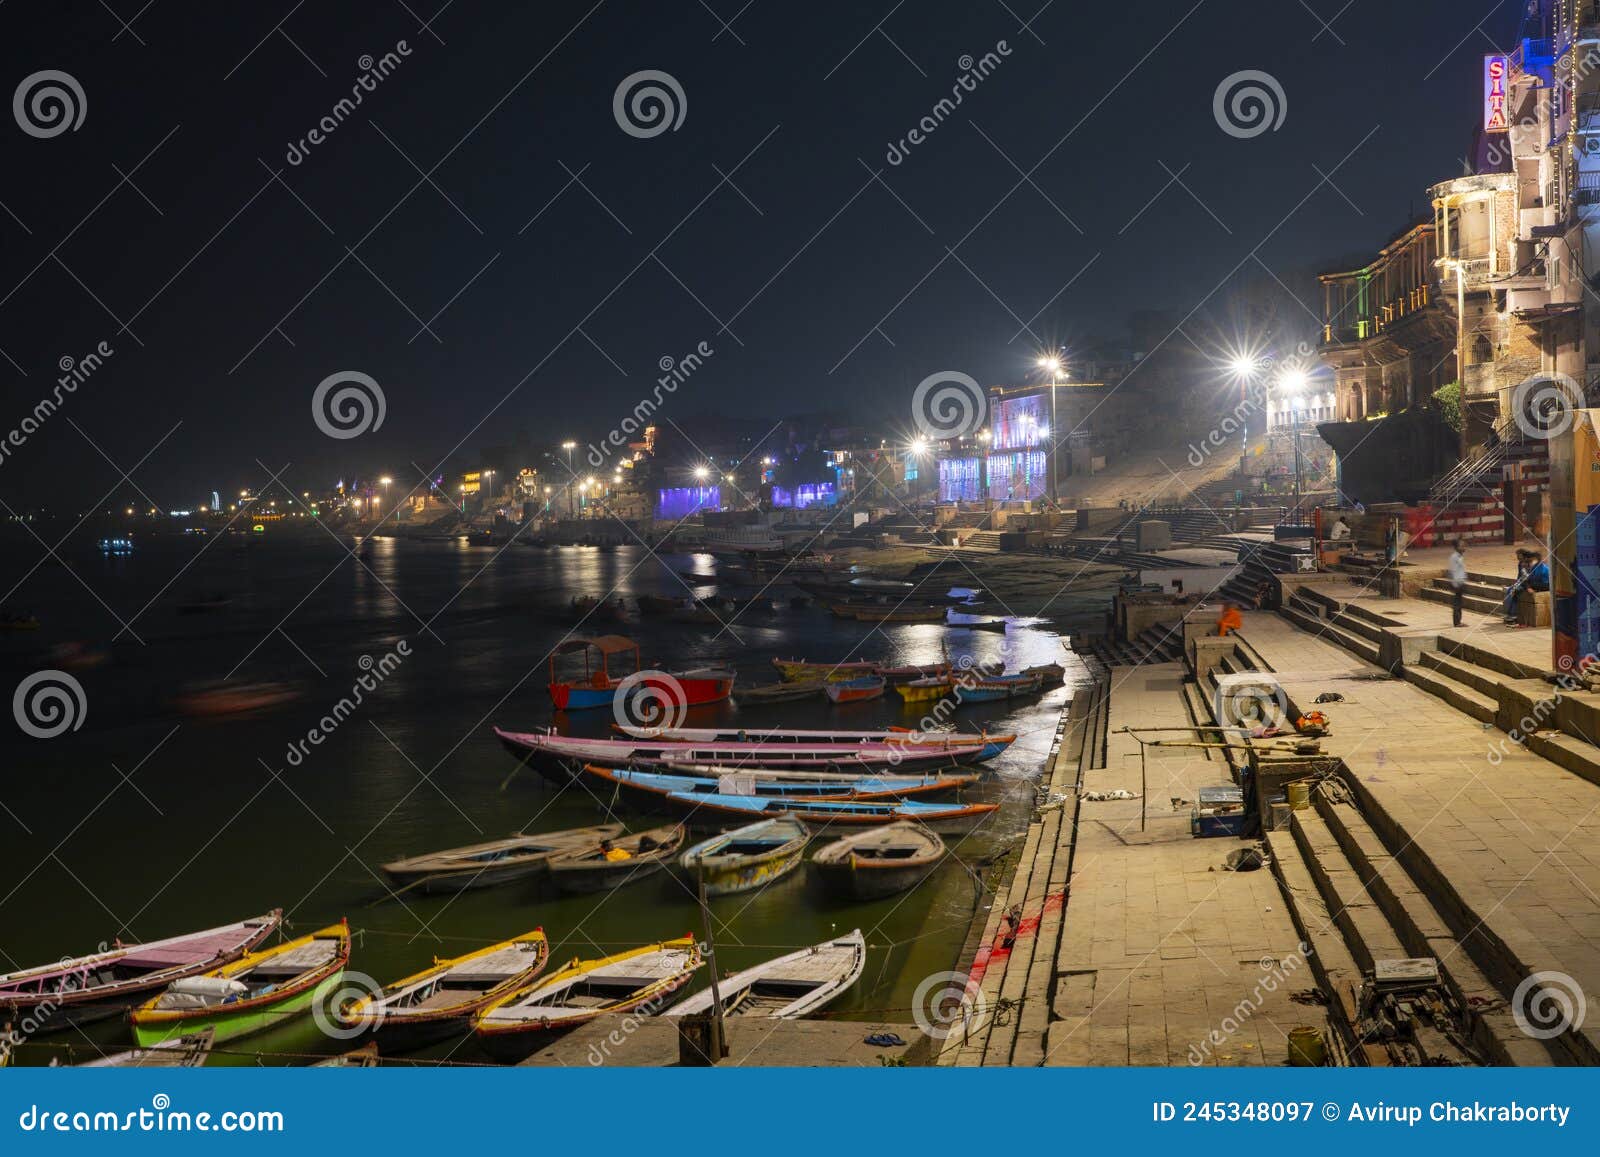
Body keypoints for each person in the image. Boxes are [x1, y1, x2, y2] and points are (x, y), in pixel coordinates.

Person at [1503, 549, 1550, 624]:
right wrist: (1527, 586)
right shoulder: (1526, 566)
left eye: (1530, 561)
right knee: (1512, 590)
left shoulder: (1542, 568)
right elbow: (1524, 579)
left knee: (1516, 590)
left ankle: (1512, 614)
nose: (1528, 563)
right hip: (1531, 585)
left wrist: (1530, 587)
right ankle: (1510, 614)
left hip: (1543, 586)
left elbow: (1544, 584)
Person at [1448, 539, 1468, 628]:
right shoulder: (1454, 557)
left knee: (1459, 603)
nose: (1464, 547)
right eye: (1461, 546)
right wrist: (1456, 584)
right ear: (1456, 547)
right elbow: (1453, 571)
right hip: (1457, 583)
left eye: (1464, 545)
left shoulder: (1460, 557)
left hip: (1460, 582)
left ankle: (1458, 621)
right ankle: (1457, 622)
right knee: (1457, 603)